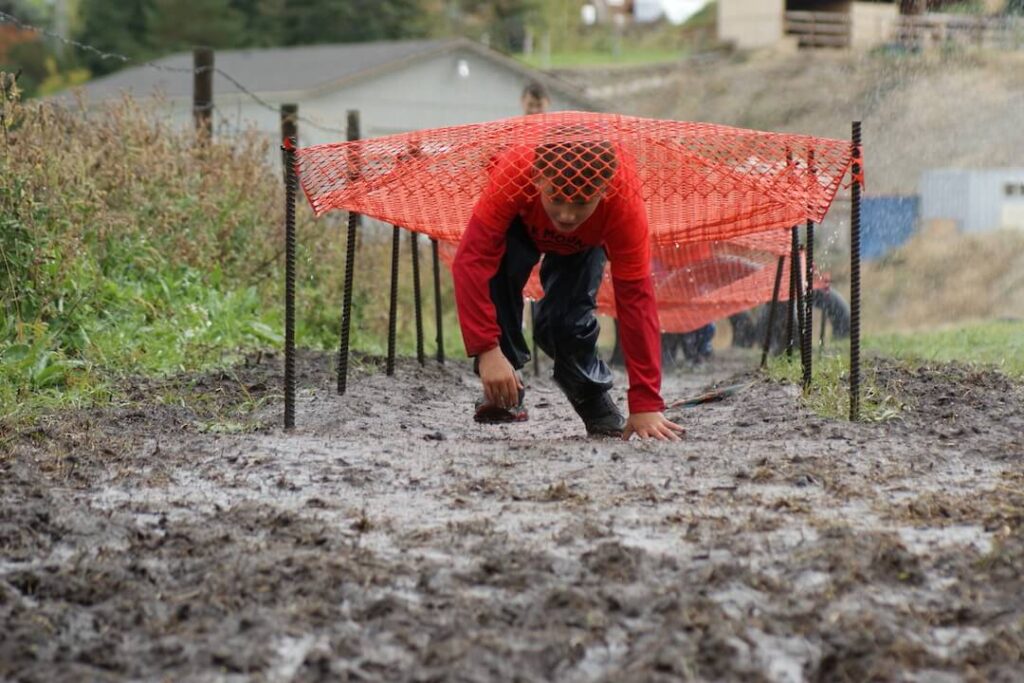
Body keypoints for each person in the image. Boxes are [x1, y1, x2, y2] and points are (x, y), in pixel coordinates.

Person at [451, 129, 685, 441]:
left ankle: (592, 399)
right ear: (538, 178)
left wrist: (645, 403)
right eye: (558, 197)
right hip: (520, 222)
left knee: (565, 323)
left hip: (587, 241)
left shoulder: (623, 203)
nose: (566, 214)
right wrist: (487, 350)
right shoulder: (514, 172)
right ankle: (504, 391)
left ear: (604, 189)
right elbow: (470, 261)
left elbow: (636, 301)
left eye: (581, 201)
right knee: (497, 279)